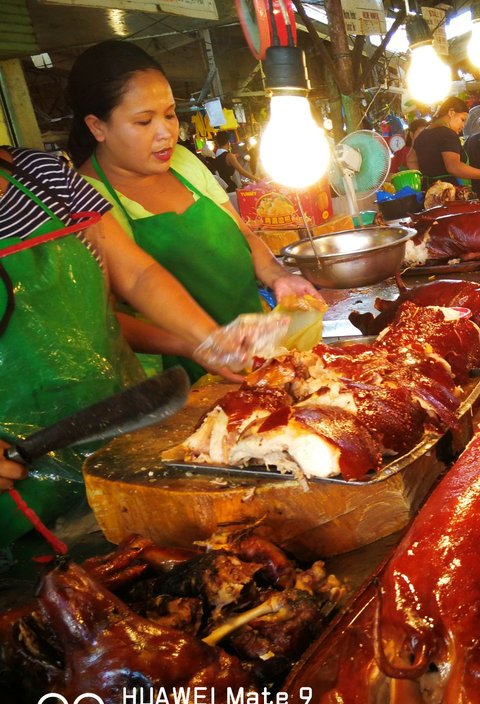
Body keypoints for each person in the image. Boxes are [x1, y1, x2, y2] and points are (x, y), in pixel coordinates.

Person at [0, 145, 281, 546]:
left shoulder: (41, 173)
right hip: (19, 491)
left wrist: (209, 339)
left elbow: (136, 274)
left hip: (126, 433)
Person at [65, 40, 318, 381]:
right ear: (97, 127)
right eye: (144, 121)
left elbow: (242, 234)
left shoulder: (184, 163)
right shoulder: (86, 199)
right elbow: (109, 317)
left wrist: (278, 276)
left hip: (255, 353)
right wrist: (195, 346)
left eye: (169, 114)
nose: (166, 132)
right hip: (178, 377)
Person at [412, 96, 480, 191]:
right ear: (451, 113)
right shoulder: (448, 134)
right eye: (462, 120)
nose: (463, 126)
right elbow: (454, 167)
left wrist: (423, 180)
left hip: (428, 192)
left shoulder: (423, 134)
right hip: (449, 193)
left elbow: (411, 159)